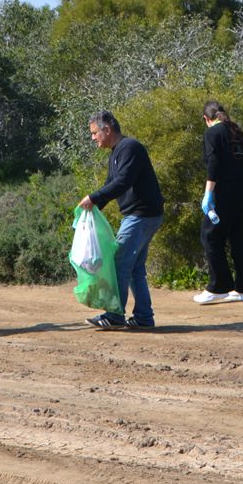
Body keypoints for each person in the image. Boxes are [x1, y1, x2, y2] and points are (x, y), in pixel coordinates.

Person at [78, 110, 164, 330]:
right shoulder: (117, 152)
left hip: (141, 215)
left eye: (95, 133)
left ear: (107, 129)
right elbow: (112, 183)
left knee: (119, 263)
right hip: (144, 215)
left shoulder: (130, 148)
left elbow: (123, 181)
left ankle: (115, 315)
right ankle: (144, 318)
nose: (93, 137)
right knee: (135, 268)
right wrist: (94, 206)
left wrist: (94, 198)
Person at [193, 100, 243, 305]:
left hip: (226, 192)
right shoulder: (237, 132)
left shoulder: (213, 133)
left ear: (206, 119)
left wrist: (208, 193)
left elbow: (214, 164)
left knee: (210, 236)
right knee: (239, 237)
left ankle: (218, 286)